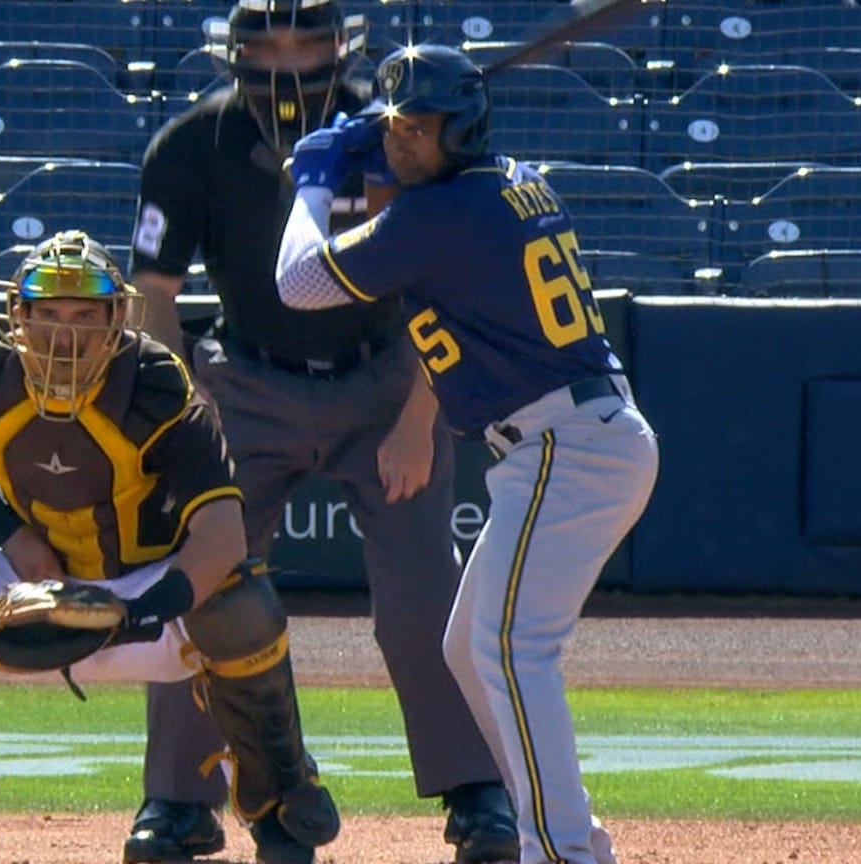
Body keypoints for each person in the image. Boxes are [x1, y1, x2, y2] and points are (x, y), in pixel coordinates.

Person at [125, 2, 517, 863]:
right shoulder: (190, 146)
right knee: (202, 581)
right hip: (246, 384)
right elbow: (152, 295)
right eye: (268, 42)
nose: (288, 58)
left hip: (386, 376)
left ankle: (477, 790)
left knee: (424, 595)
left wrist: (421, 418)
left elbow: (445, 284)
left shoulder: (398, 138)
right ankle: (180, 800)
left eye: (306, 41)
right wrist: (190, 413)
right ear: (236, 52)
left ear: (342, 47)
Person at [273, 45, 661, 864]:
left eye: (422, 129)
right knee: (469, 649)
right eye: (396, 128)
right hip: (570, 437)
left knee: (513, 650)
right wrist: (375, 148)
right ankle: (560, 835)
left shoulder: (443, 214)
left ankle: (561, 852)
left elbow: (299, 282)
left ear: (466, 130)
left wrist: (314, 181)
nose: (404, 142)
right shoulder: (500, 183)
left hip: (566, 443)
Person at [0, 230, 340, 864]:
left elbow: (222, 536)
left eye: (85, 315)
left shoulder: (161, 393)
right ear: (19, 316)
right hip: (35, 589)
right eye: (49, 313)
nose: (66, 334)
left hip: (148, 596)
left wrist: (137, 613)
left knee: (240, 602)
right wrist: (17, 539)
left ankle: (276, 795)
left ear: (117, 319)